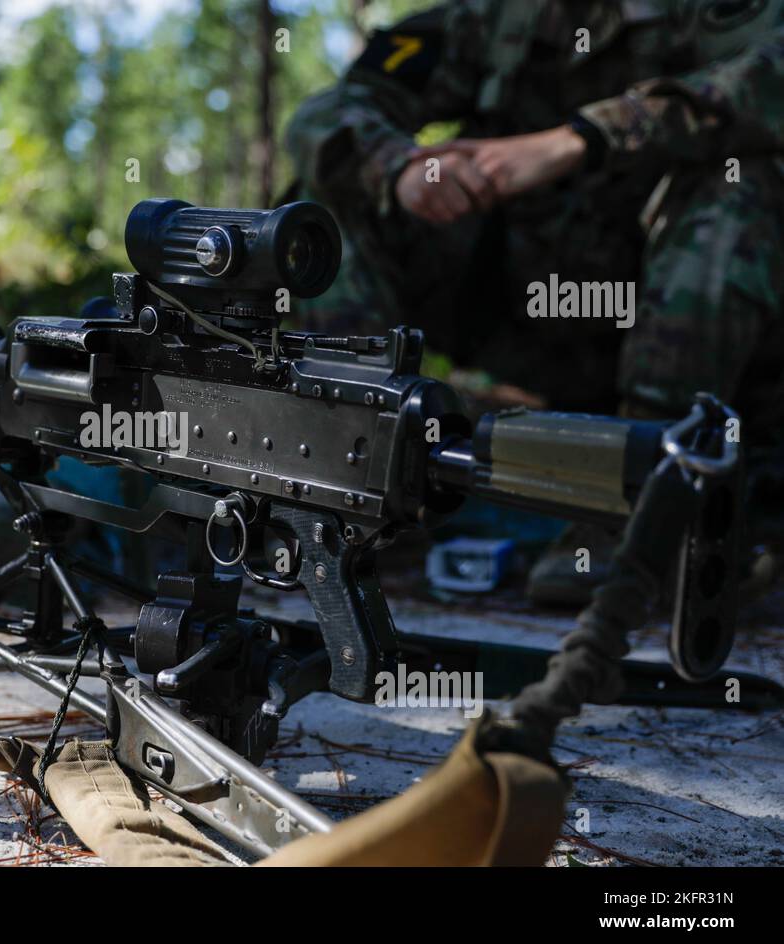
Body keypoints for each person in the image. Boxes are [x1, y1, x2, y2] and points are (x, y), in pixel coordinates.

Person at [283, 0, 784, 604]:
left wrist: (580, 138)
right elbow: (333, 109)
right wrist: (403, 171)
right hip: (535, 312)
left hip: (693, 334)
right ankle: (364, 493)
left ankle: (640, 503)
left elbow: (768, 77)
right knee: (333, 194)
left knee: (737, 178)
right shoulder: (502, 18)